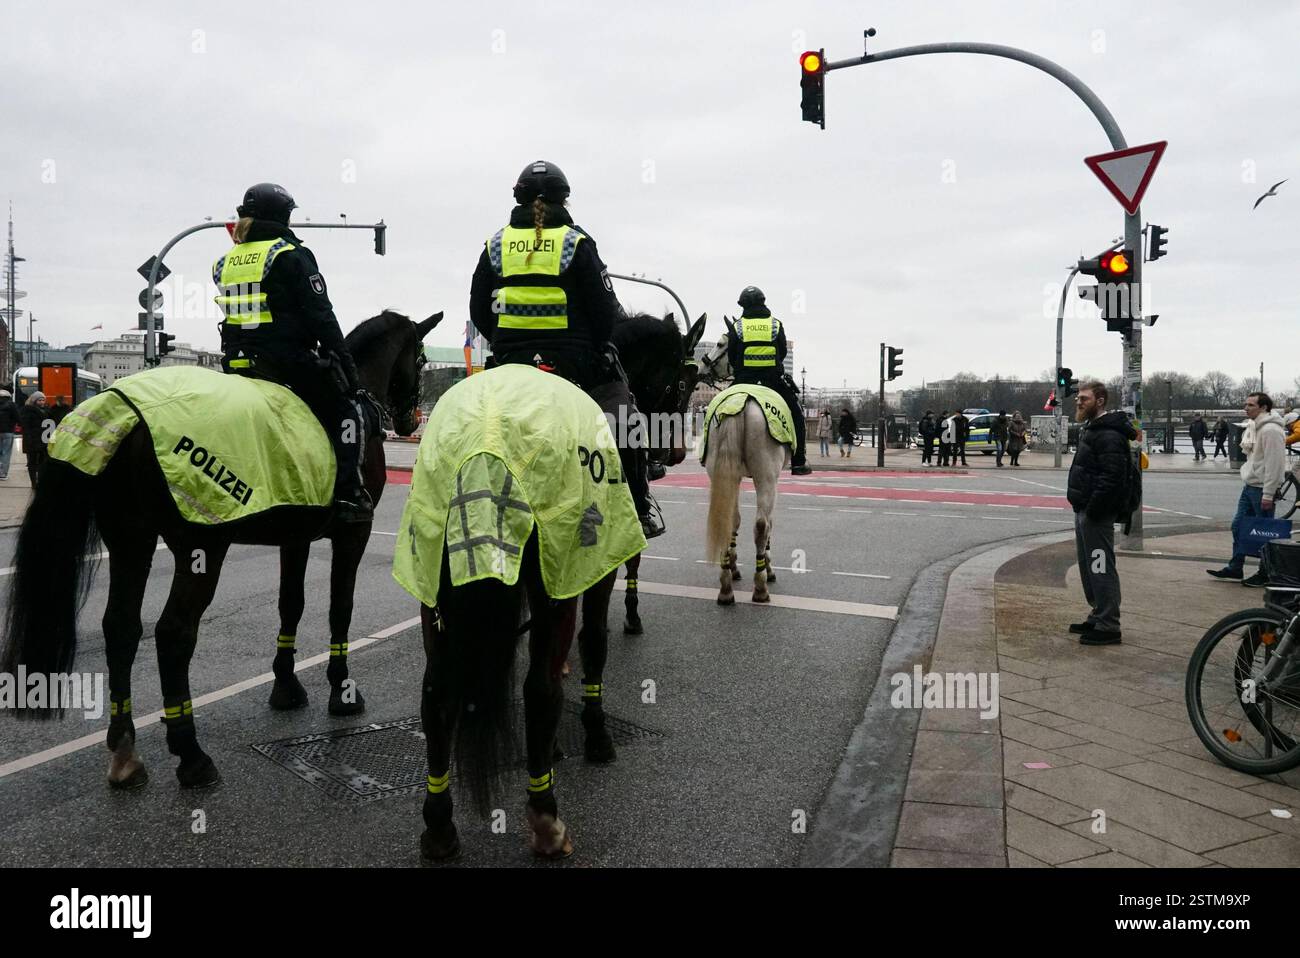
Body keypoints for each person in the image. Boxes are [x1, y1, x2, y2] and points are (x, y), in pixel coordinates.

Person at [470, 160, 663, 537]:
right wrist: (594, 346)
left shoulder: (495, 245)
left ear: (518, 199)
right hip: (575, 366)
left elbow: (479, 310)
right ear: (565, 200)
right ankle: (639, 506)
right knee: (626, 424)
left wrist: (507, 344)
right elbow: (605, 312)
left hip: (511, 363)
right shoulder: (576, 243)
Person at [212, 182, 373, 522]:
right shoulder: (289, 254)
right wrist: (348, 370)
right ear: (282, 216)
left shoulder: (225, 261)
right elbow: (320, 316)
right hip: (283, 363)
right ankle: (348, 494)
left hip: (237, 362)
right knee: (346, 411)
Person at [1066, 382, 1137, 645]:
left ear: (1100, 400)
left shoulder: (1108, 434)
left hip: (1095, 513)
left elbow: (1112, 477)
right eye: (1078, 399)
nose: (1078, 402)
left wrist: (1094, 509)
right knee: (1089, 566)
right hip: (1085, 509)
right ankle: (1098, 613)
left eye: (1084, 398)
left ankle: (1108, 624)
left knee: (1100, 566)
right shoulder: (1094, 429)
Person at [725, 286, 812, 475]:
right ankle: (799, 461)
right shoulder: (776, 324)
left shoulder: (737, 326)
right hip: (773, 381)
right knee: (796, 414)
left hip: (743, 381)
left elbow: (731, 356)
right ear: (763, 302)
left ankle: (707, 452)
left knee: (717, 410)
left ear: (743, 306)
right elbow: (782, 352)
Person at [1208, 392, 1286, 586]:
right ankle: (1236, 567)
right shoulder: (1255, 427)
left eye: (1251, 405)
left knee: (1265, 532)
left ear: (1264, 407)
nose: (1246, 408)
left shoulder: (1270, 431)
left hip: (1262, 489)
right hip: (1251, 485)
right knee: (1239, 526)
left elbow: (1275, 463)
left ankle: (1267, 572)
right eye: (1245, 404)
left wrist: (1268, 493)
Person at [18, 391, 51, 487]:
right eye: (39, 400)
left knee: (42, 462)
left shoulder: (46, 411)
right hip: (32, 440)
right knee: (32, 462)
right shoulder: (27, 411)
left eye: (43, 400)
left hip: (43, 440)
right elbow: (25, 426)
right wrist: (29, 438)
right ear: (34, 400)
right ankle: (34, 482)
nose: (42, 402)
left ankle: (40, 481)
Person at [0, 388, 17, 480]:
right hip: (8, 432)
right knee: (6, 453)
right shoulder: (11, 405)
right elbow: (17, 417)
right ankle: (2, 474)